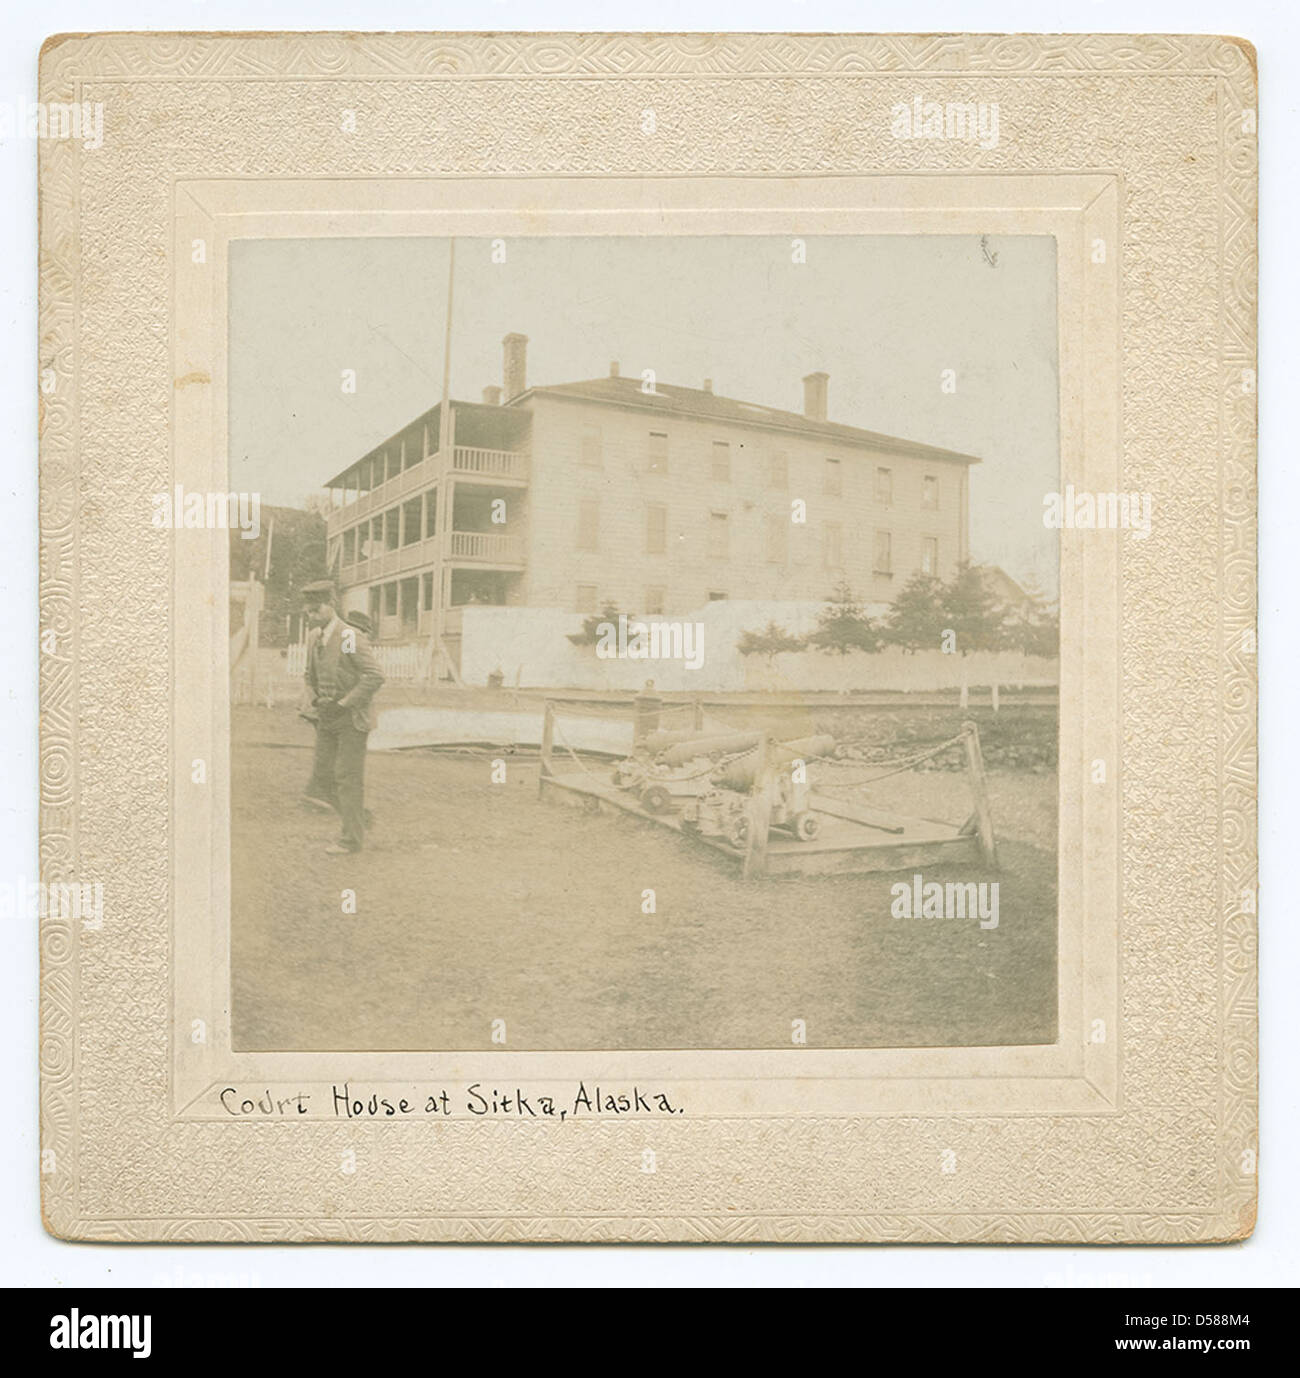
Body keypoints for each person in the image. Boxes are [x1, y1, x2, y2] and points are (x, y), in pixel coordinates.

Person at [299, 583, 384, 854]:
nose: (312, 614)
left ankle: (351, 840)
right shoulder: (314, 637)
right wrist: (314, 700)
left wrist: (344, 703)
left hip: (351, 719)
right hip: (327, 718)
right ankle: (359, 817)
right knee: (322, 780)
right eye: (308, 610)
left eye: (317, 609)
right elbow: (308, 674)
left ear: (331, 604)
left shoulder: (349, 635)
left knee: (347, 777)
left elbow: (374, 676)